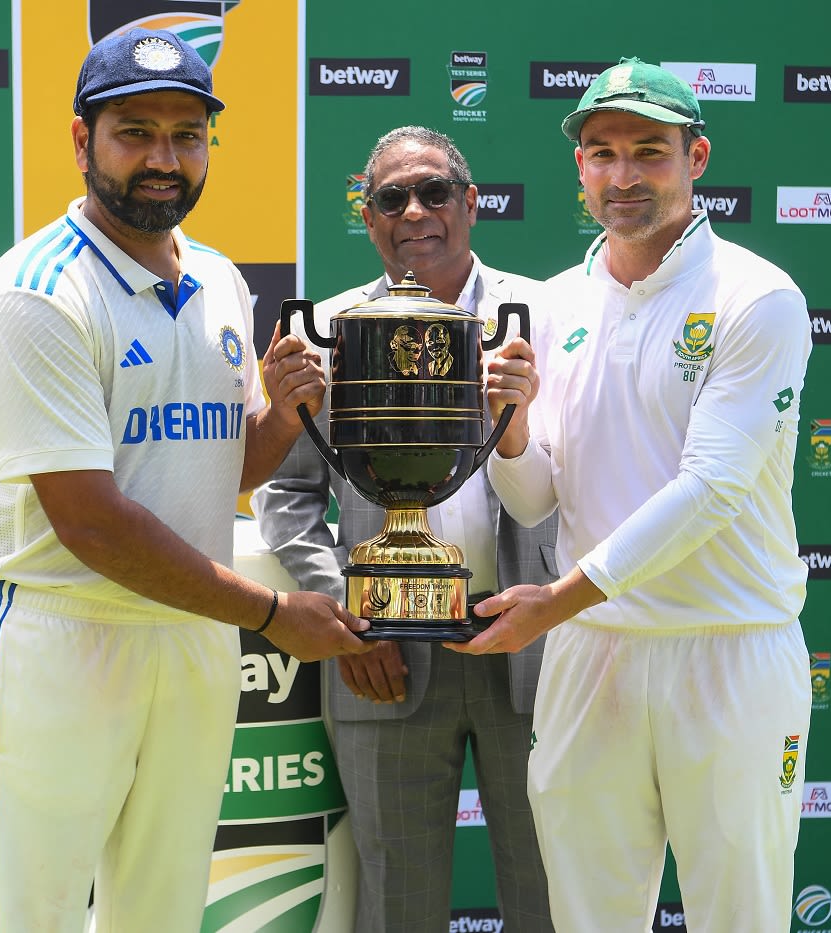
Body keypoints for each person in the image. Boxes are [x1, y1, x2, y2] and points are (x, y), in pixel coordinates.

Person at [0, 28, 369, 933]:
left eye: (187, 135)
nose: (163, 158)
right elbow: (92, 524)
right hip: (69, 636)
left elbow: (222, 466)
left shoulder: (221, 279)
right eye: (135, 132)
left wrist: (284, 414)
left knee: (165, 908)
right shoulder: (37, 292)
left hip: (192, 641)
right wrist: (268, 615)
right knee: (36, 911)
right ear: (81, 141)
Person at [457, 58, 815, 932]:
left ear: (697, 157)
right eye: (602, 152)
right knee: (586, 917)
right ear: (578, 168)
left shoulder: (757, 296)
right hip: (593, 654)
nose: (623, 176)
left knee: (743, 915)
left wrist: (556, 599)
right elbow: (538, 498)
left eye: (648, 152)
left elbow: (712, 491)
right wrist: (508, 426)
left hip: (728, 647)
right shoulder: (555, 301)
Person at [253, 125, 557, 932]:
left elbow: (575, 478)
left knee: (551, 898)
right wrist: (346, 612)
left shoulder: (547, 318)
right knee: (396, 907)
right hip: (380, 661)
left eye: (434, 192)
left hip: (529, 649)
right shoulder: (330, 329)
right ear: (368, 214)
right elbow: (285, 497)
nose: (414, 211)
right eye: (392, 197)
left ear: (472, 204)